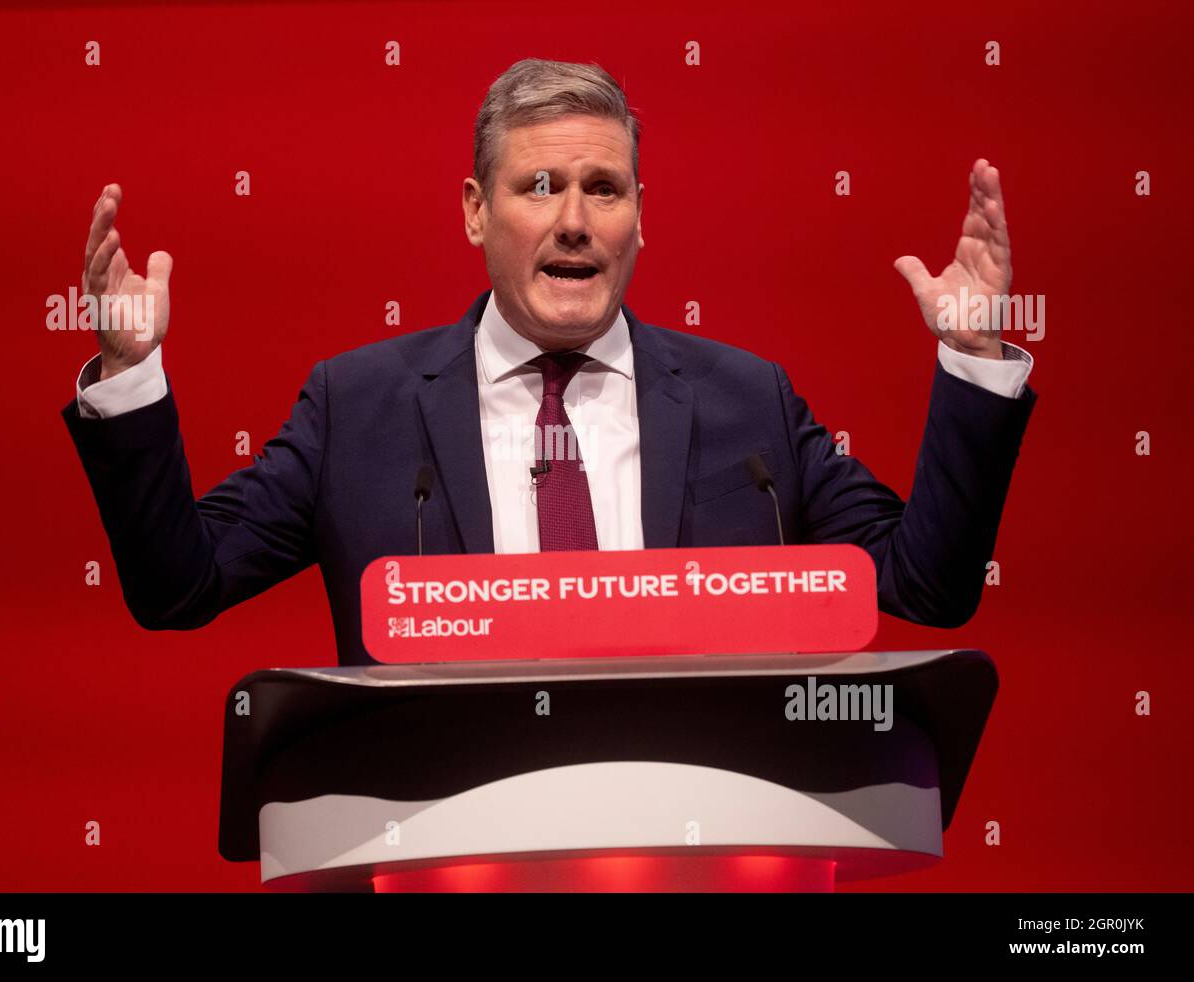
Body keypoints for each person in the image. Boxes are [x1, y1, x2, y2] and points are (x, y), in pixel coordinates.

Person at [63, 58, 1036, 666]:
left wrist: (973, 354)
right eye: (538, 185)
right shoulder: (354, 405)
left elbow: (926, 582)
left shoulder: (749, 402)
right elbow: (179, 589)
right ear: (476, 212)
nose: (573, 219)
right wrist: (131, 372)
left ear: (640, 219)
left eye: (603, 188)